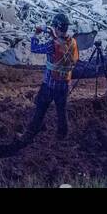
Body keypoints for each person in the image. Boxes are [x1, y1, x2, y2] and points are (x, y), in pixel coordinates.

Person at [18, 13, 79, 144]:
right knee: (61, 111)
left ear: (56, 27)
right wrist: (54, 36)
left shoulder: (53, 45)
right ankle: (62, 135)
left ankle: (30, 135)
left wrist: (36, 34)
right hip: (64, 84)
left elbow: (35, 48)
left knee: (40, 109)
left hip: (50, 84)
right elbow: (69, 55)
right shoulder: (73, 42)